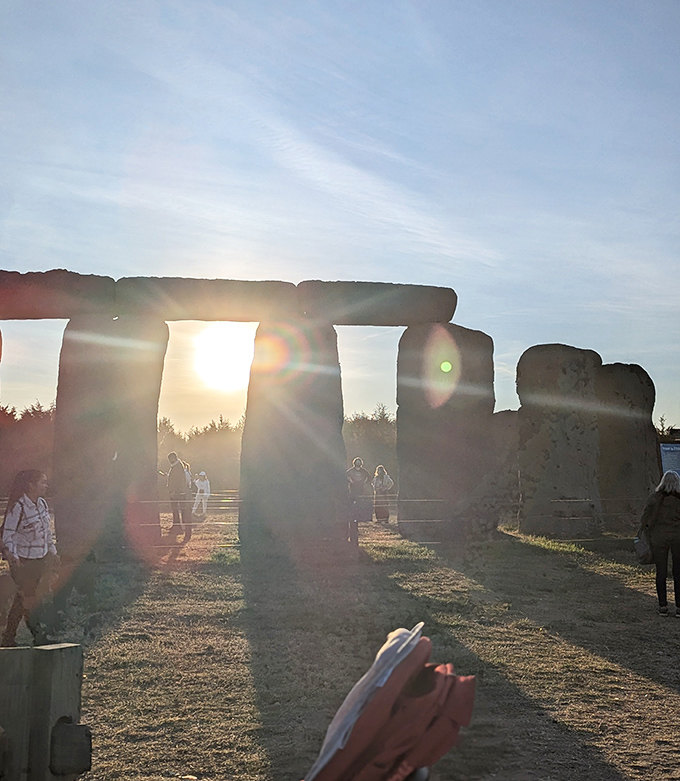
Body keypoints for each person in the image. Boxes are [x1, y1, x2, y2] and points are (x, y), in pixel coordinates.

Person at [1, 470, 59, 646]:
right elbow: (7, 535)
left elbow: (47, 532)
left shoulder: (41, 503)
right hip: (23, 561)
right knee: (27, 597)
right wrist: (13, 556)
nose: (46, 485)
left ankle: (9, 637)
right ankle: (38, 635)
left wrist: (53, 553)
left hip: (40, 559)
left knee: (25, 599)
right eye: (42, 482)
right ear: (30, 485)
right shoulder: (18, 507)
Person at [640, 470, 680, 616]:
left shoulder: (654, 498)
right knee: (678, 572)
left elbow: (644, 518)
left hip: (659, 537)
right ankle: (679, 607)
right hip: (678, 537)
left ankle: (663, 606)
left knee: (661, 572)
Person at [167, 452, 192, 542]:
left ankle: (181, 526)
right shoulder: (176, 466)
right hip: (177, 492)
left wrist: (174, 491)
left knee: (180, 509)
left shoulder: (177, 467)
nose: (169, 461)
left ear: (174, 458)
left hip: (178, 493)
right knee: (176, 509)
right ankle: (177, 525)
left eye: (170, 459)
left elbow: (177, 481)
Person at [346, 457, 371, 545]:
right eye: (356, 462)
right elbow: (346, 476)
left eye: (359, 462)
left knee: (359, 502)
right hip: (353, 489)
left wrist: (364, 482)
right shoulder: (351, 471)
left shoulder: (363, 471)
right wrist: (350, 481)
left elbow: (369, 477)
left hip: (361, 489)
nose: (358, 463)